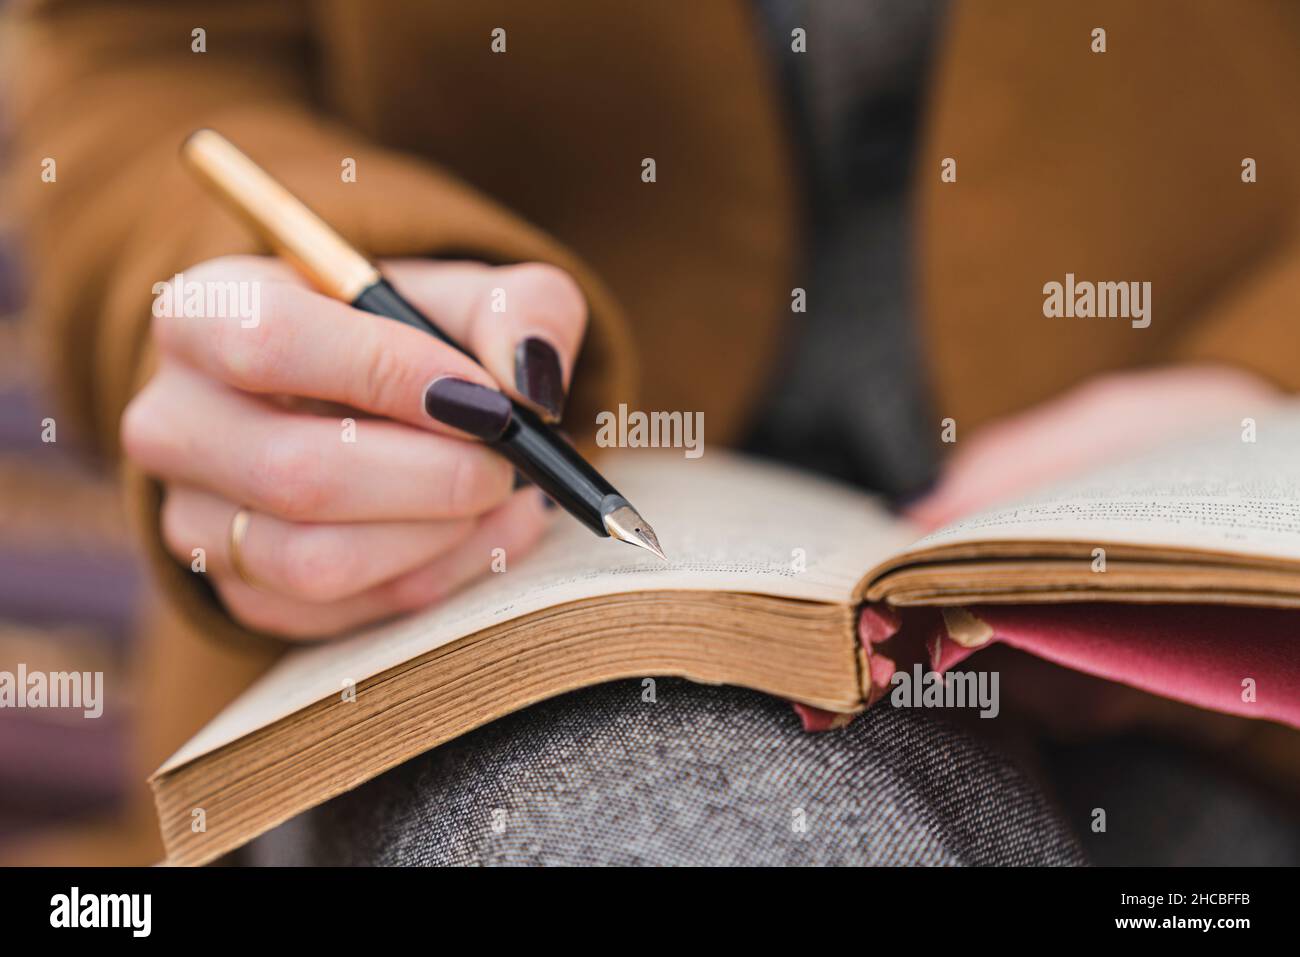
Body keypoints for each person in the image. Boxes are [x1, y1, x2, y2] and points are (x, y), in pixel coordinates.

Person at [9, 0, 1299, 864]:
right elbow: (152, 62)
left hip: (1201, 629)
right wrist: (289, 344)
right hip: (469, 600)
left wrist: (1266, 377)